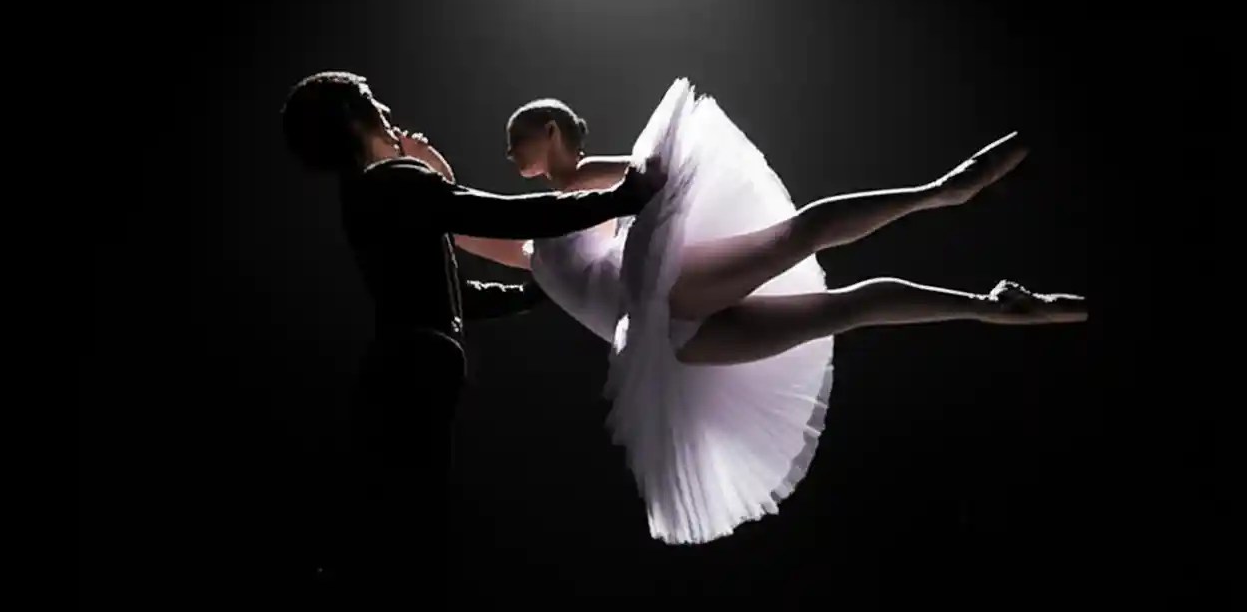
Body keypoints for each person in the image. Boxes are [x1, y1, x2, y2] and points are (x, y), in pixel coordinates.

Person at [430, 78, 1086, 545]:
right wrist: (423, 169)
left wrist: (455, 168)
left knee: (801, 234)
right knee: (845, 309)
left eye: (517, 139)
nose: (510, 153)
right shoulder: (534, 239)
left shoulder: (583, 184)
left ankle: (944, 192)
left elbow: (639, 177)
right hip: (673, 345)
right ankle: (991, 307)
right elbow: (457, 222)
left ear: (550, 134)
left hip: (664, 289)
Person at [278, 71, 665, 590]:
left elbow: (460, 293)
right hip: (413, 369)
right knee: (410, 522)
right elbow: (498, 214)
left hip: (409, 369)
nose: (388, 112)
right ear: (353, 119)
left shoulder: (369, 195)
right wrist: (622, 198)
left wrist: (543, 290)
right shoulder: (394, 183)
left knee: (401, 515)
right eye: (373, 102)